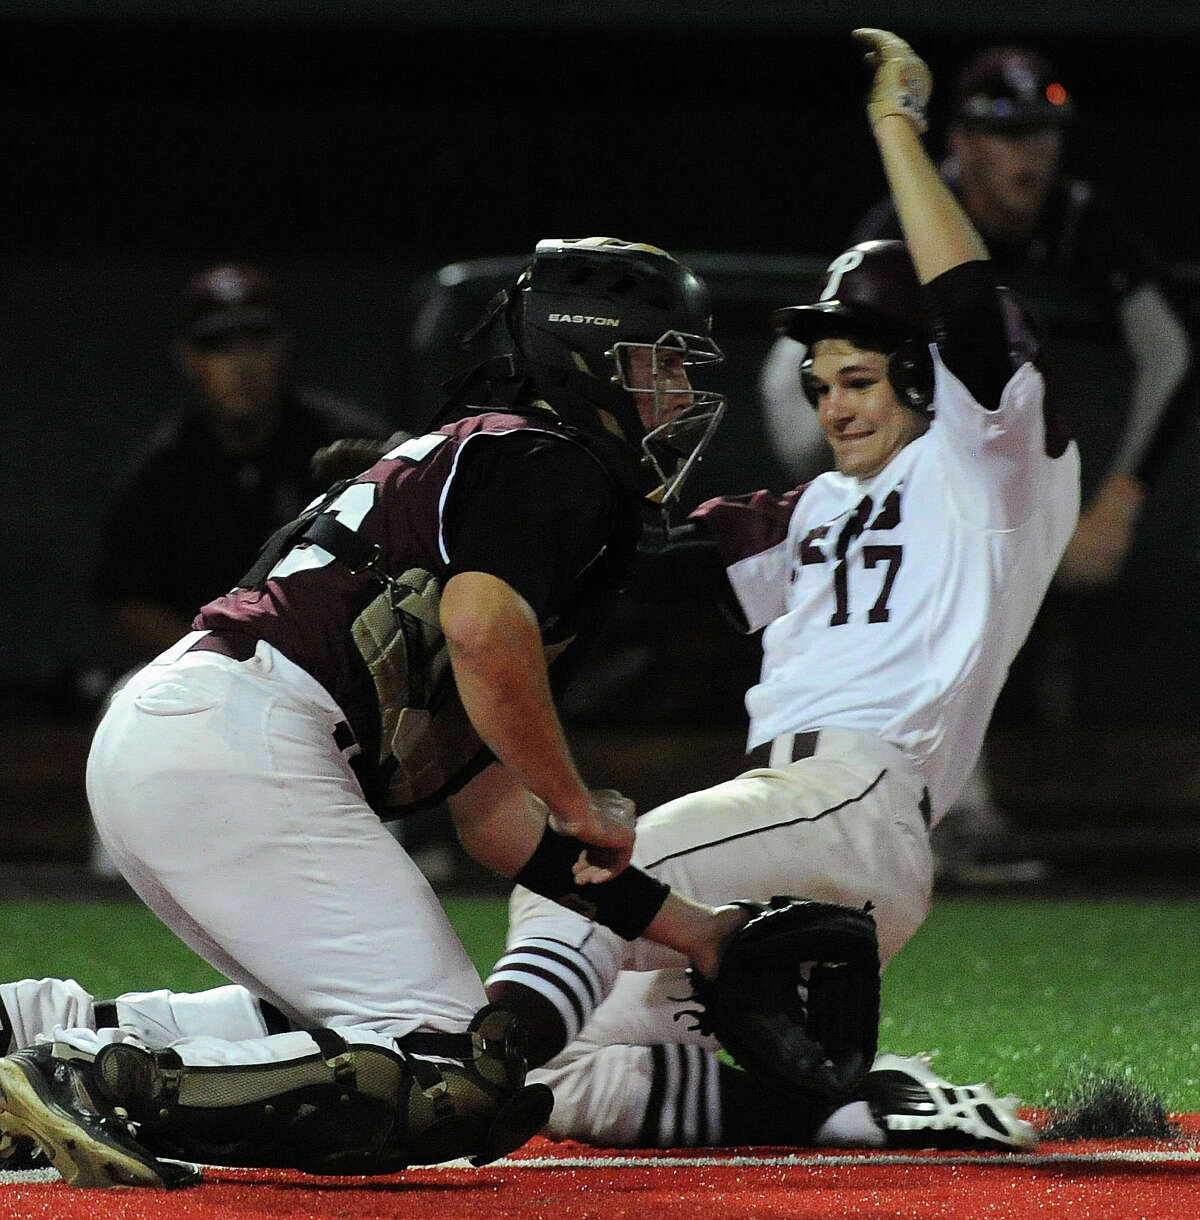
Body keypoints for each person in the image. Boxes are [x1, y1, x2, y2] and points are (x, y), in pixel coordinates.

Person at [0, 237, 823, 1187]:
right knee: (447, 1071)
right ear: (589, 358)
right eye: (663, 361)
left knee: (341, 1033)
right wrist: (576, 797)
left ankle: (34, 1027)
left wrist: (699, 932)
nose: (679, 392)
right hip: (244, 740)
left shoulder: (489, 464)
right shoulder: (556, 460)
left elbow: (490, 819)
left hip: (182, 730)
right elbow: (481, 628)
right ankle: (95, 1080)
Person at [479, 29, 1079, 1151]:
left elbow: (967, 301)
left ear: (920, 371)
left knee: (585, 881)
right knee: (571, 1074)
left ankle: (465, 1068)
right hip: (785, 825)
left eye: (857, 376)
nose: (832, 402)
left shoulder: (984, 463)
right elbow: (642, 563)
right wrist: (445, 486)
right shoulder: (804, 509)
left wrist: (897, 129)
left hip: (860, 804)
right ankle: (864, 1104)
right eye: (819, 381)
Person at [762, 43, 1193, 885]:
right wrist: (847, 496)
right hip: (888, 462)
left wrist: (1123, 498)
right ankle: (941, 811)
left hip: (1001, 462)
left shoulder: (1079, 218)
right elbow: (796, 383)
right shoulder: (902, 225)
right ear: (959, 142)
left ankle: (944, 806)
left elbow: (1170, 350)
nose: (1028, 152)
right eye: (1005, 132)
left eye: (1042, 131)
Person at [92, 262, 393, 666]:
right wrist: (225, 659)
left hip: (337, 668)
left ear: (283, 344)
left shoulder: (345, 442)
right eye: (219, 345)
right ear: (190, 359)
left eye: (257, 340)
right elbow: (130, 601)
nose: (241, 363)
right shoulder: (163, 469)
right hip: (205, 671)